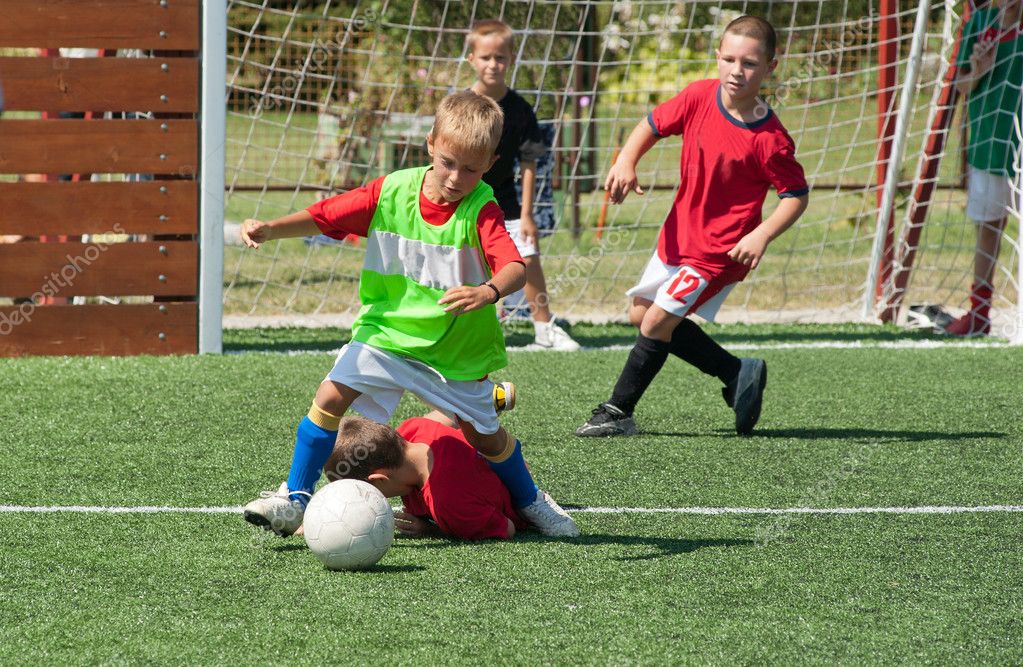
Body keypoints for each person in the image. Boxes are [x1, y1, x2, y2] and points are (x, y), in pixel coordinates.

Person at [239, 90, 579, 538]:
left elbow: (516, 266)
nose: (458, 177)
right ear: (431, 144)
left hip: (455, 349)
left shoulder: (483, 208)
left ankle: (532, 501)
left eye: (473, 169)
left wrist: (488, 291)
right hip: (387, 334)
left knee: (485, 438)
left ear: (492, 163)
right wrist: (270, 229)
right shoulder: (391, 191)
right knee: (329, 400)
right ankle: (295, 498)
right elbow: (326, 216)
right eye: (449, 162)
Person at [576, 15, 809, 438]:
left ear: (771, 67)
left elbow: (795, 195)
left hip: (718, 251)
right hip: (677, 236)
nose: (737, 71)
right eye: (729, 59)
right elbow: (651, 125)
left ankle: (618, 411)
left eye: (750, 64)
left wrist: (761, 234)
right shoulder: (699, 95)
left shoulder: (770, 139)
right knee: (641, 313)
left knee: (655, 323)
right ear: (717, 57)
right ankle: (736, 372)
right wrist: (626, 161)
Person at [467, 19, 581, 351]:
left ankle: (544, 328)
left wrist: (528, 213)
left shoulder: (519, 110)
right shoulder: (460, 105)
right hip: (463, 199)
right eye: (486, 57)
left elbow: (528, 164)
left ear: (510, 59)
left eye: (500, 57)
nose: (493, 64)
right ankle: (461, 329)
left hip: (504, 200)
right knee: (462, 262)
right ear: (471, 59)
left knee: (528, 255)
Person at [321, 412, 529, 540]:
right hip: (507, 463)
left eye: (368, 493)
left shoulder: (448, 505)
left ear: (379, 479)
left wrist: (433, 529)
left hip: (520, 503)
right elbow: (449, 414)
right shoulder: (412, 429)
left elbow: (507, 528)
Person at [944, 0, 1023, 337]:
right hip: (990, 140)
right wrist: (979, 67)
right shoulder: (980, 22)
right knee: (988, 227)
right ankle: (979, 312)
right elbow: (962, 85)